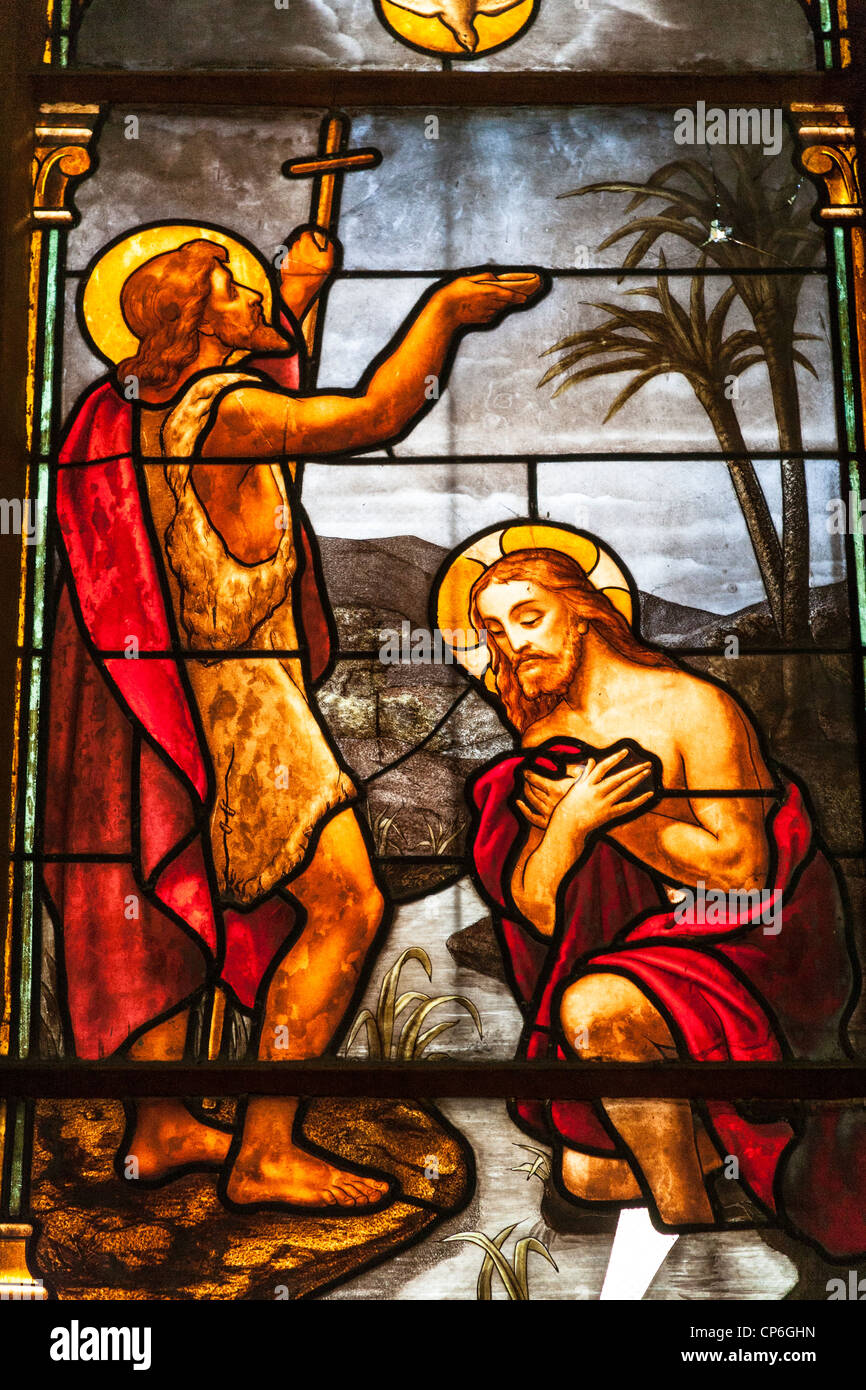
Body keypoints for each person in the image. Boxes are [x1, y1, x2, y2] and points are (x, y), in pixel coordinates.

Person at [44, 223, 543, 1211]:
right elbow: (367, 415)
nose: (256, 292)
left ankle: (163, 1122)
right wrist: (441, 312)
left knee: (175, 895)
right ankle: (267, 1145)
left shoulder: (140, 410)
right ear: (194, 317)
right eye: (238, 285)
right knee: (348, 903)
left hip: (192, 709)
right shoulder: (220, 414)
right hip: (249, 722)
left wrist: (301, 292)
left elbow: (268, 389)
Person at [444, 531, 866, 1262]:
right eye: (492, 630)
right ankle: (712, 1142)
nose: (512, 643)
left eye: (529, 616)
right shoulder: (542, 732)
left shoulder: (691, 707)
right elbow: (537, 911)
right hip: (644, 955)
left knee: (595, 1012)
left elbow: (744, 877)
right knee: (591, 1173)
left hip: (748, 950)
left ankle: (690, 1225)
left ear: (582, 611)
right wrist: (572, 825)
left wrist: (623, 816)